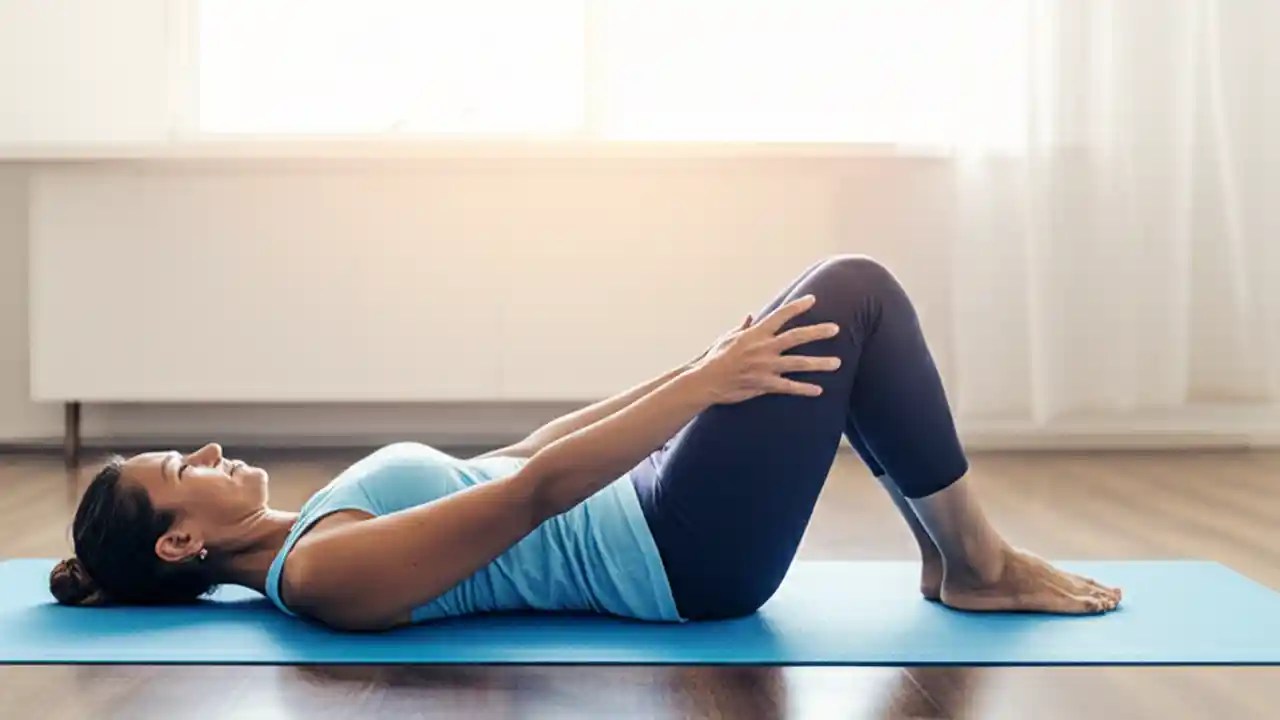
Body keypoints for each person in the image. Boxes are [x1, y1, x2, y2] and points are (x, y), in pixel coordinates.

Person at [50, 255, 1120, 630]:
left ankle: (956, 558)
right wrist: (708, 389)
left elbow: (533, 449)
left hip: (650, 502)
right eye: (174, 474)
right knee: (851, 293)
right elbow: (531, 501)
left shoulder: (318, 519)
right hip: (680, 558)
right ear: (181, 546)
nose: (200, 451)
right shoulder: (322, 572)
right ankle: (974, 565)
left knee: (810, 315)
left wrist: (700, 365)